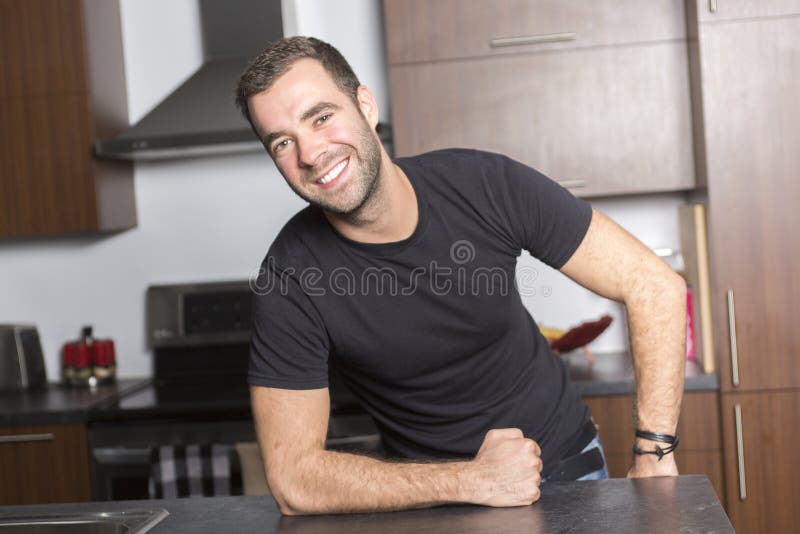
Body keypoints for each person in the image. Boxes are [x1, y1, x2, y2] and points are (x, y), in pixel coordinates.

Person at [236, 36, 686, 516]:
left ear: (365, 105)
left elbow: (654, 285)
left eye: (321, 117)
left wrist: (654, 452)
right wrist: (472, 479)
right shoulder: (289, 279)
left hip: (567, 468)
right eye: (282, 142)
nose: (309, 153)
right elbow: (292, 480)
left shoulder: (484, 185)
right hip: (432, 501)